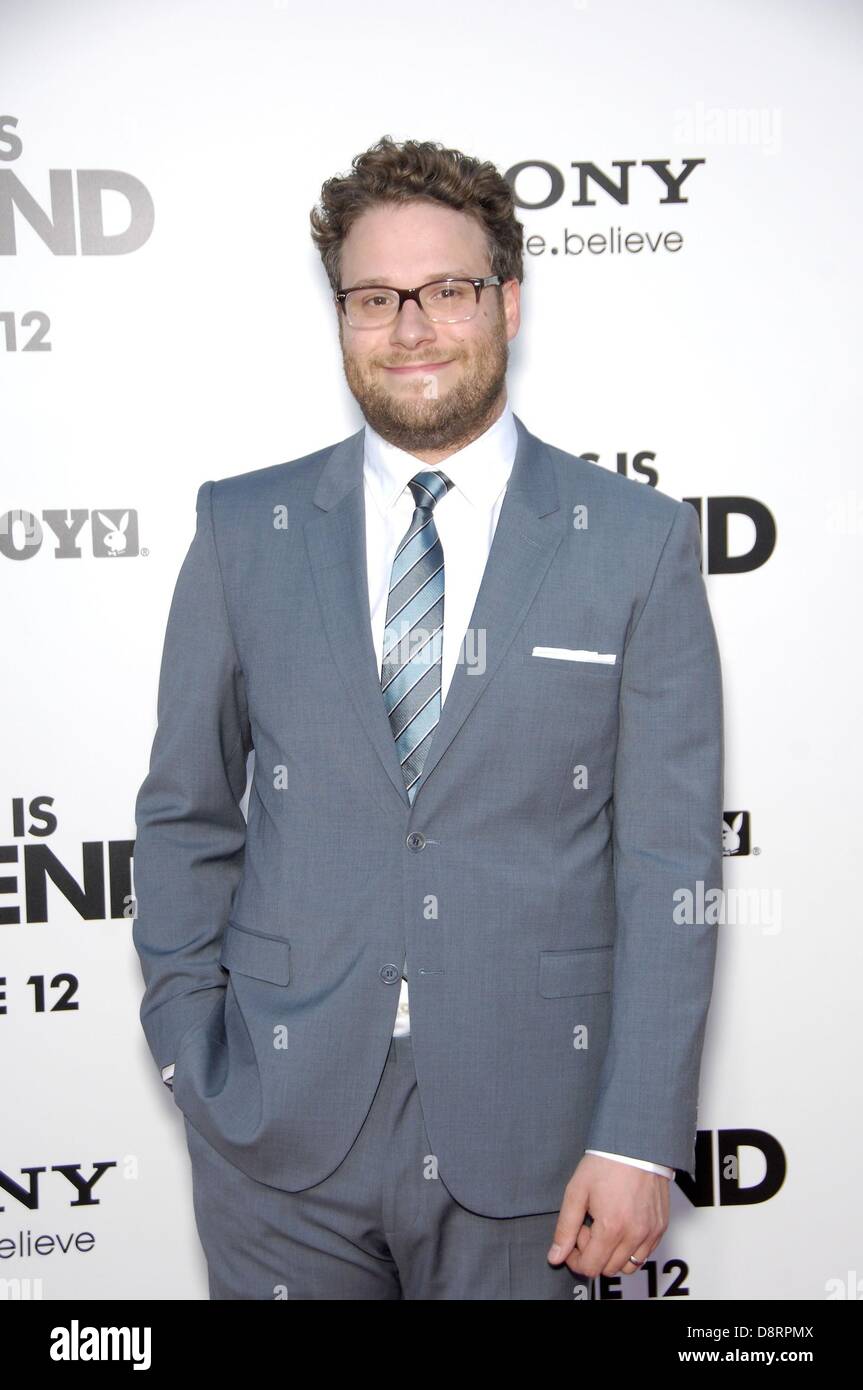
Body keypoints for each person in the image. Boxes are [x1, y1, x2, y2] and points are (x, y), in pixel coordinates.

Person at [133, 135, 724, 1300]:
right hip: (277, 1131)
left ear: (507, 301)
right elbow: (186, 813)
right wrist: (189, 1047)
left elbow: (668, 863)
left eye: (446, 290)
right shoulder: (244, 529)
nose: (411, 328)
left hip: (534, 1130)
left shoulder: (637, 541)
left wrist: (635, 1133)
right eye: (373, 298)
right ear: (342, 315)